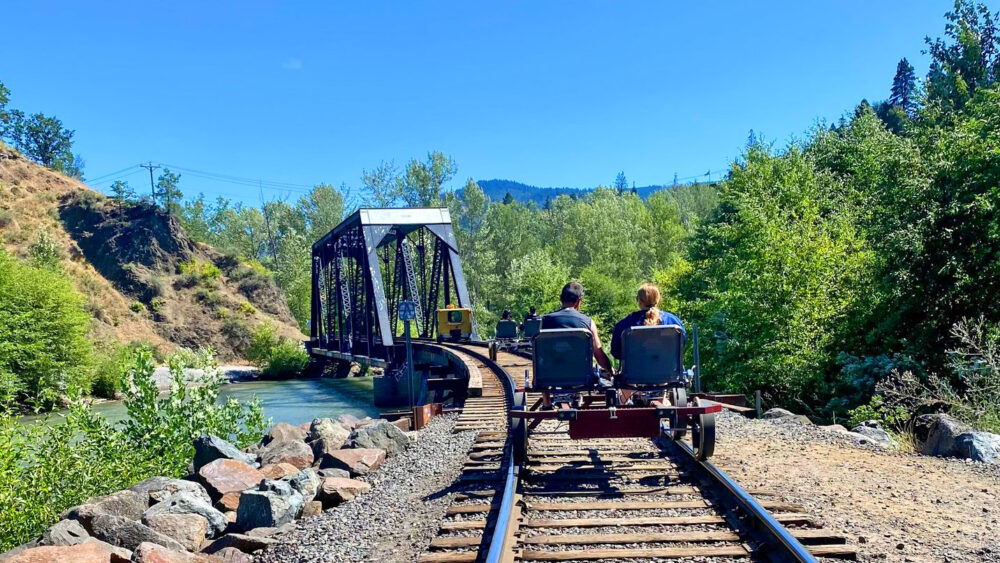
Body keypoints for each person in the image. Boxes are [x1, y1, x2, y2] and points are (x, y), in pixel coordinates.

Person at [539, 282, 613, 408]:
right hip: (581, 376)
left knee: (543, 363)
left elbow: (541, 352)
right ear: (579, 301)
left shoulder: (546, 320)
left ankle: (546, 402)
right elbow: (598, 353)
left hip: (551, 375)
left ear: (561, 299)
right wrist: (609, 370)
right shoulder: (588, 322)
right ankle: (577, 394)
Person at [610, 283, 685, 404]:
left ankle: (622, 403)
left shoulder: (625, 324)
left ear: (639, 301)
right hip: (666, 372)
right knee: (661, 364)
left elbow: (616, 352)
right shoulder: (674, 321)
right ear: (657, 300)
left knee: (628, 373)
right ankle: (661, 400)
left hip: (633, 374)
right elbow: (680, 348)